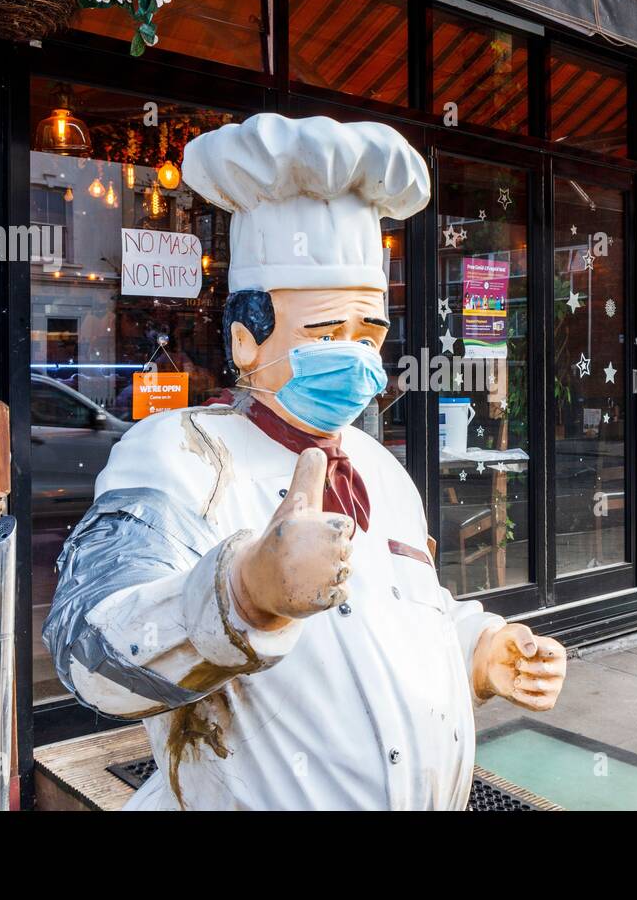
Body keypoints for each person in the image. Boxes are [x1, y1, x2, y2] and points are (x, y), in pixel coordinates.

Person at [43, 113, 566, 810]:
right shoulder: (178, 456)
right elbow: (89, 652)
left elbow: (403, 614)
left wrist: (480, 650)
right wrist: (245, 591)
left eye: (369, 334)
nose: (356, 356)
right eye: (326, 331)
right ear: (245, 341)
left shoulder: (381, 468)